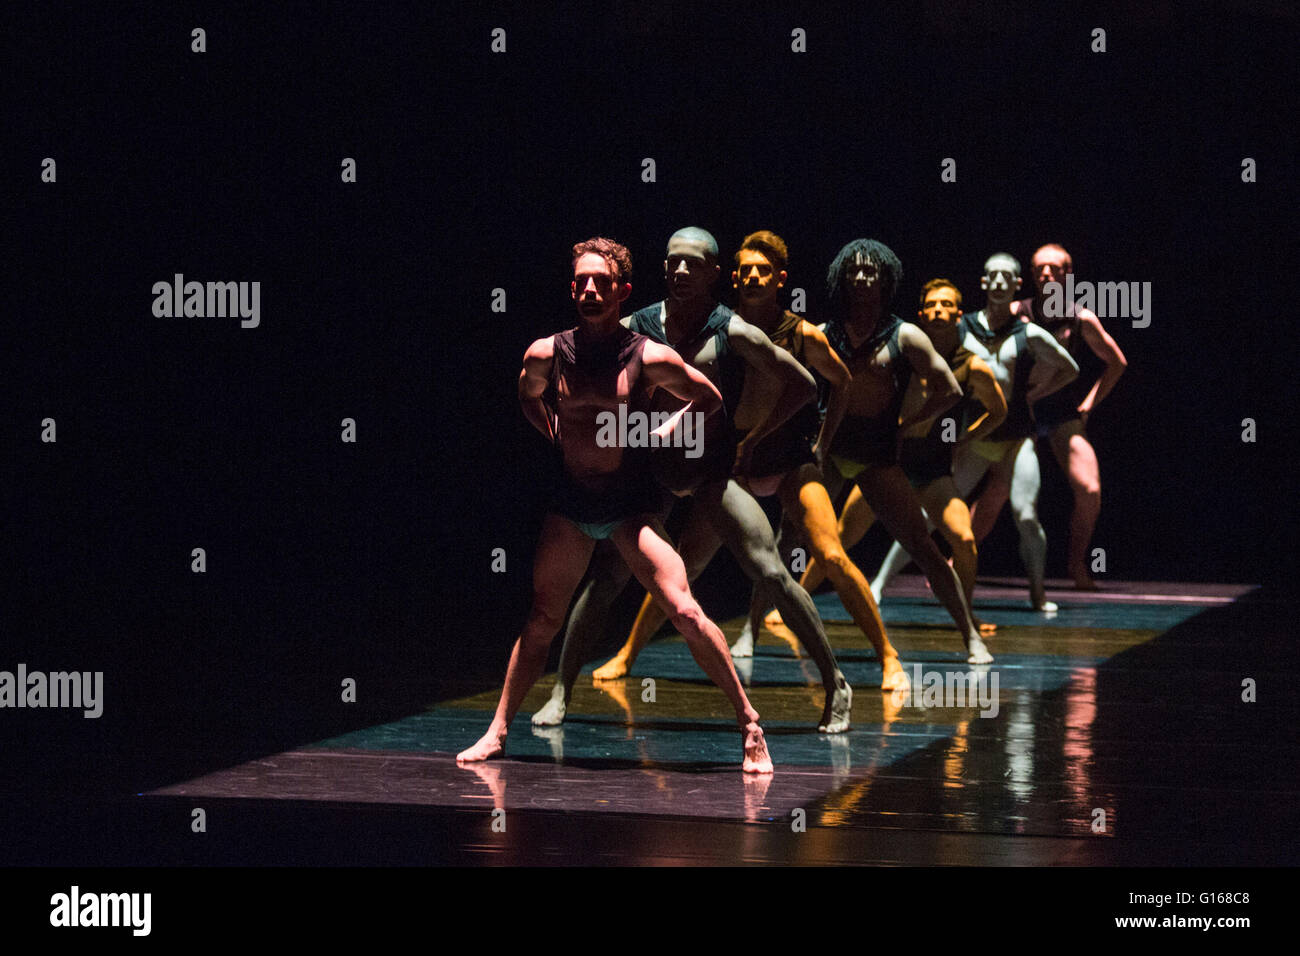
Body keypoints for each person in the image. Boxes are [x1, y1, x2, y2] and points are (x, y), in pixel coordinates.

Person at [457, 237, 772, 773]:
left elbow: (710, 399)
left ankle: (750, 726)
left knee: (686, 610)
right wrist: (552, 431)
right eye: (581, 282)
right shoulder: (546, 352)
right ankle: (498, 730)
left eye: (601, 282)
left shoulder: (645, 355)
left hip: (630, 507)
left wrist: (660, 430)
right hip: (573, 504)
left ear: (623, 291)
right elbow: (527, 393)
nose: (589, 290)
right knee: (542, 618)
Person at [539, 228, 853, 733]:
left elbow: (804, 383)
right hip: (653, 476)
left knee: (770, 570)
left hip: (712, 473)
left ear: (714, 273)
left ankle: (836, 683)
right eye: (673, 263)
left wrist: (754, 438)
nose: (681, 271)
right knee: (608, 578)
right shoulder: (634, 326)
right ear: (663, 269)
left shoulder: (734, 331)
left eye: (693, 264)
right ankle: (561, 690)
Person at [595, 231, 908, 690]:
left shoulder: (800, 332)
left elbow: (837, 383)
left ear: (780, 280)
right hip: (734, 464)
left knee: (830, 553)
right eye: (746, 271)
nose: (754, 278)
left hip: (788, 460)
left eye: (764, 271)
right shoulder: (720, 326)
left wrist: (820, 444)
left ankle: (888, 657)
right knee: (686, 562)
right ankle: (627, 652)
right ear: (732, 278)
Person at [815, 239, 992, 664]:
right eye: (854, 270)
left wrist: (908, 424)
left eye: (871, 271)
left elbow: (949, 389)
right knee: (790, 541)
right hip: (830, 451)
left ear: (886, 279)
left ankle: (970, 636)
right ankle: (751, 629)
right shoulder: (825, 333)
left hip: (878, 456)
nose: (861, 277)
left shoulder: (903, 334)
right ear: (842, 276)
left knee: (923, 546)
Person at [873, 253, 1078, 611]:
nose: (999, 283)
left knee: (1027, 516)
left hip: (1016, 441)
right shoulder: (961, 327)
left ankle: (1039, 594)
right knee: (927, 514)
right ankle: (878, 584)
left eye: (1007, 278)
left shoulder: (1027, 333)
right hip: (975, 440)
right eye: (992, 277)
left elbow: (1069, 368)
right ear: (983, 283)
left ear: (1017, 285)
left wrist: (1034, 392)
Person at [1014, 243, 1128, 589]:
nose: (1046, 273)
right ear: (1031, 275)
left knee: (1090, 489)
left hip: (1063, 414)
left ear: (1067, 274)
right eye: (1039, 269)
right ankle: (957, 559)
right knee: (998, 490)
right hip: (1023, 412)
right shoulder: (1016, 312)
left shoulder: (1081, 319)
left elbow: (1117, 363)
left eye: (1053, 268)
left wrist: (1089, 404)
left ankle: (1077, 564)